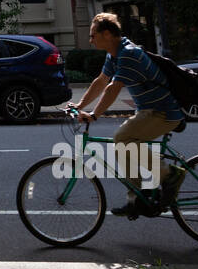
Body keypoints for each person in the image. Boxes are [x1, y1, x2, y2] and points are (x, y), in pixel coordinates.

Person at [68, 12, 186, 218]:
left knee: (122, 139)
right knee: (122, 147)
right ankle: (136, 200)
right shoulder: (114, 54)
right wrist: (80, 105)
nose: (90, 40)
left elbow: (113, 88)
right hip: (149, 111)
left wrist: (94, 115)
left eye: (92, 35)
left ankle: (169, 175)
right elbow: (101, 81)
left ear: (106, 34)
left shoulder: (128, 54)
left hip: (163, 112)